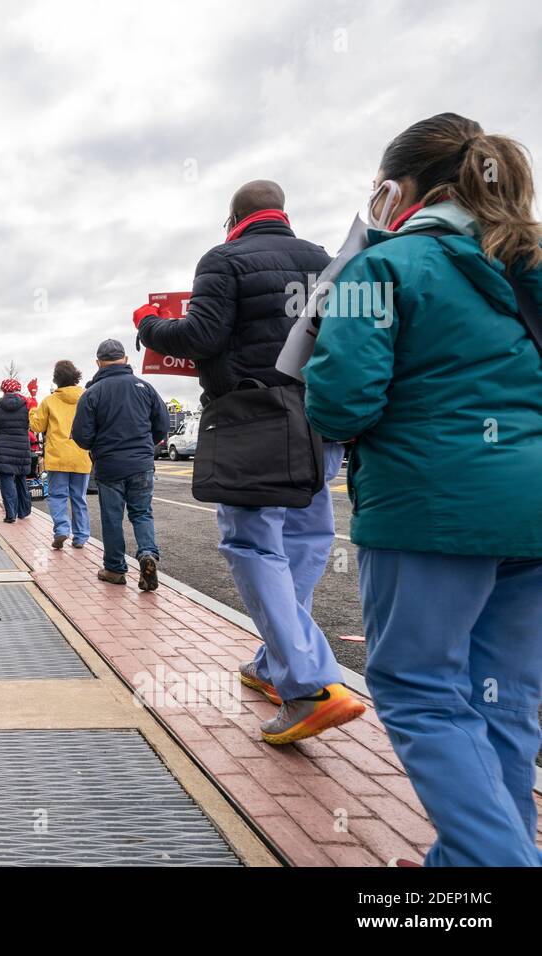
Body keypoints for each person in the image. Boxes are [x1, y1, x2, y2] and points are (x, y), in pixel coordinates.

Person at [304, 113, 542, 865]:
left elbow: (341, 404)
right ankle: (474, 855)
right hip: (532, 510)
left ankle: (493, 866)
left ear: (397, 190)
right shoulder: (528, 262)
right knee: (504, 693)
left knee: (418, 686)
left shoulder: (378, 266)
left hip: (430, 508)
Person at [135, 178, 365, 746]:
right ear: (282, 214)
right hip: (319, 418)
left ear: (233, 218)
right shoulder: (325, 260)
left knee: (252, 544)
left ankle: (309, 683)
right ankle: (273, 663)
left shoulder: (224, 259)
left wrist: (147, 323)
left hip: (255, 417)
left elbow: (201, 334)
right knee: (307, 542)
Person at [71, 339, 167, 589]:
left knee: (112, 517)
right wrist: (147, 445)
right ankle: (147, 553)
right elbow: (162, 426)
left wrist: (97, 446)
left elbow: (81, 435)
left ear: (98, 363)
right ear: (124, 359)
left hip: (109, 464)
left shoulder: (92, 393)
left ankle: (115, 569)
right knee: (142, 513)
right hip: (141, 464)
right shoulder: (145, 387)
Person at [31, 360, 92, 549]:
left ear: (56, 380)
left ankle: (62, 530)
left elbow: (37, 426)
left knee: (57, 496)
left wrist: (32, 409)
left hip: (57, 456)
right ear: (76, 376)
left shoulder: (49, 401)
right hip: (81, 455)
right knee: (79, 497)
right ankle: (81, 536)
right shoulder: (87, 397)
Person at [0, 379, 35, 523]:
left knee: (6, 481)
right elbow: (33, 423)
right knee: (21, 479)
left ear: (3, 390)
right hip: (22, 447)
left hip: (3, 448)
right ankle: (24, 510)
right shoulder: (26, 406)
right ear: (18, 390)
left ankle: (10, 513)